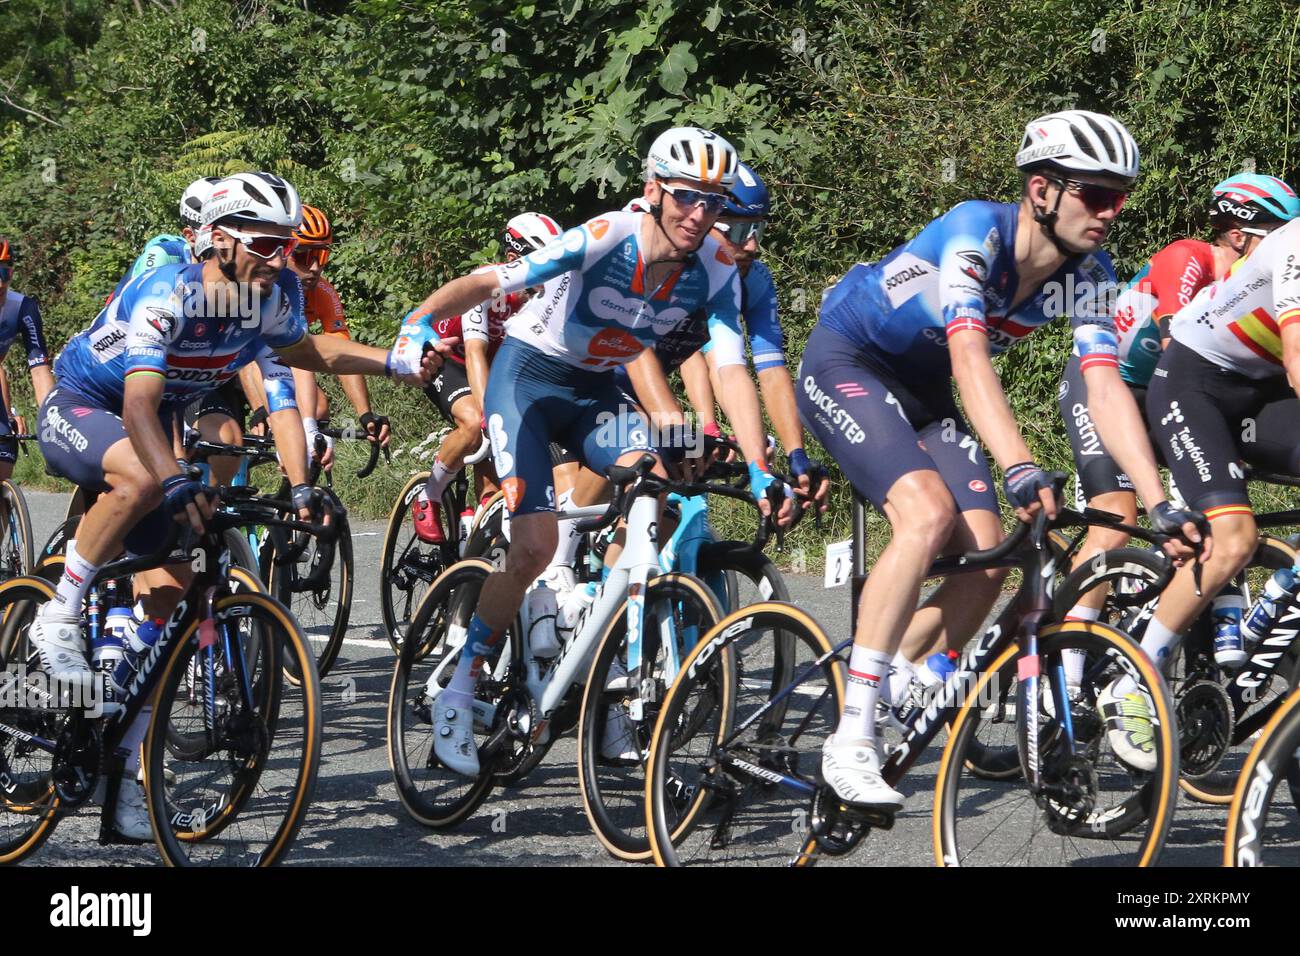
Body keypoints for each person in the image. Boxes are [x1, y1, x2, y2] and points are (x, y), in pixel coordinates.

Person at [797, 110, 1205, 808]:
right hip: (847, 360)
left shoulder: (1091, 272)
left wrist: (1158, 498)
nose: (1110, 211)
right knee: (925, 515)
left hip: (919, 392)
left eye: (1120, 197)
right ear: (1042, 191)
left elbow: (1104, 385)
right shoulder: (973, 232)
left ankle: (887, 669)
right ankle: (853, 734)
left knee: (993, 553)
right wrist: (1017, 463)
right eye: (1094, 194)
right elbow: (968, 354)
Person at [30, 171, 447, 839]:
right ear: (219, 240)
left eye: (285, 243)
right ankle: (58, 611)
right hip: (86, 405)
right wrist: (174, 481)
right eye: (263, 242)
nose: (279, 258)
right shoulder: (170, 291)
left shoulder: (272, 291)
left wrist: (395, 361)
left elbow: (309, 351)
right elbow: (136, 405)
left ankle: (125, 775)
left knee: (174, 590)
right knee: (146, 479)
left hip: (157, 416)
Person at [393, 125, 794, 776]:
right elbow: (492, 280)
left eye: (714, 202)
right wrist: (416, 324)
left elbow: (729, 368)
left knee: (664, 489)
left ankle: (602, 656)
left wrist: (760, 466)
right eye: (688, 197)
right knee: (532, 546)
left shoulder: (716, 266)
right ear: (654, 191)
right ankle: (460, 687)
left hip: (594, 393)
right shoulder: (608, 236)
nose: (701, 214)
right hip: (527, 381)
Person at [1058, 174, 1298, 677]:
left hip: (1194, 390)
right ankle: (1069, 671)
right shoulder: (1188, 258)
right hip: (1106, 385)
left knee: (1219, 511)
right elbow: (1175, 347)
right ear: (1238, 235)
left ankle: (1220, 611)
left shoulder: (1252, 279)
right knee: (1117, 521)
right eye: (1273, 230)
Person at [1117, 200, 1300, 767]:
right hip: (1195, 383)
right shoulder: (1295, 245)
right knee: (1235, 539)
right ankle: (1136, 686)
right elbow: (1297, 360)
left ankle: (1273, 602)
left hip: (1259, 393)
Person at [399, 212, 563, 543]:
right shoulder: (487, 284)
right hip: (447, 358)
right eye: (544, 261)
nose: (553, 272)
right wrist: (492, 417)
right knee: (476, 423)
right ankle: (428, 493)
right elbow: (474, 352)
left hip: (496, 365)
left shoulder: (550, 296)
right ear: (515, 259)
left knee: (494, 475)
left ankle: (475, 549)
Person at [284, 203, 390, 471]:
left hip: (284, 361)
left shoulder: (321, 291)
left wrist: (364, 413)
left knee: (319, 407)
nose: (316, 266)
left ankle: (298, 490)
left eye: (321, 254)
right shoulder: (262, 287)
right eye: (304, 256)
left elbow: (343, 352)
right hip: (241, 366)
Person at [0, 237, 55, 491]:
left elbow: (40, 369)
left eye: (5, 272)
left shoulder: (22, 308)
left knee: (3, 468)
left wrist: (51, 420)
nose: (1, 282)